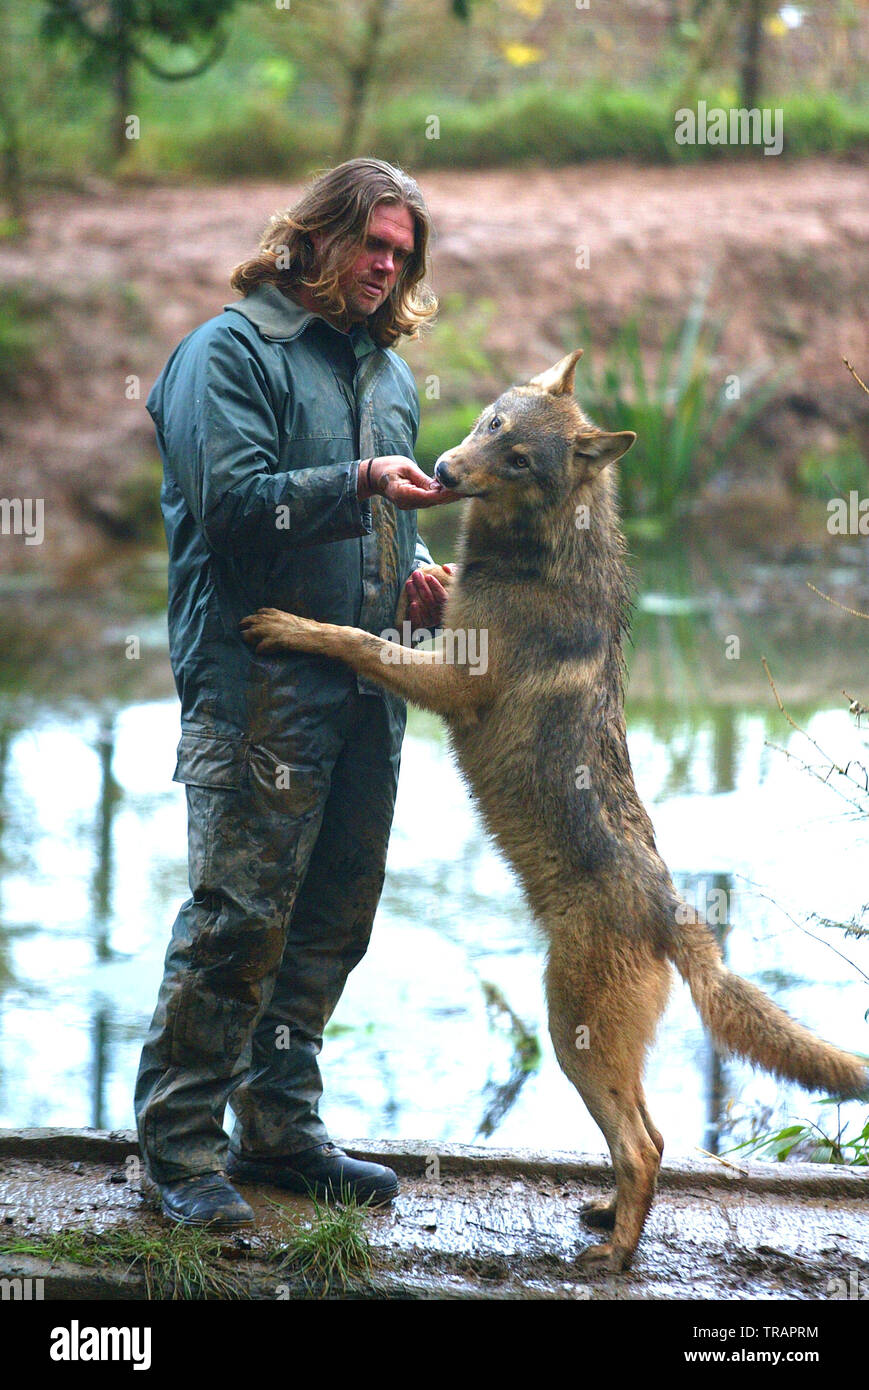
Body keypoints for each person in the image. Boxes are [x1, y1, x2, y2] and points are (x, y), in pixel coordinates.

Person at [134, 159, 457, 1228]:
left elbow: (378, 534)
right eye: (371, 242)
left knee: (330, 918)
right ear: (311, 236)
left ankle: (279, 1130)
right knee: (237, 923)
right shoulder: (228, 351)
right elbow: (232, 509)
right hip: (256, 689)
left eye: (401, 254)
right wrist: (361, 484)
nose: (384, 265)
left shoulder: (390, 377)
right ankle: (181, 1151)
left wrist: (412, 581)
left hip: (364, 692)